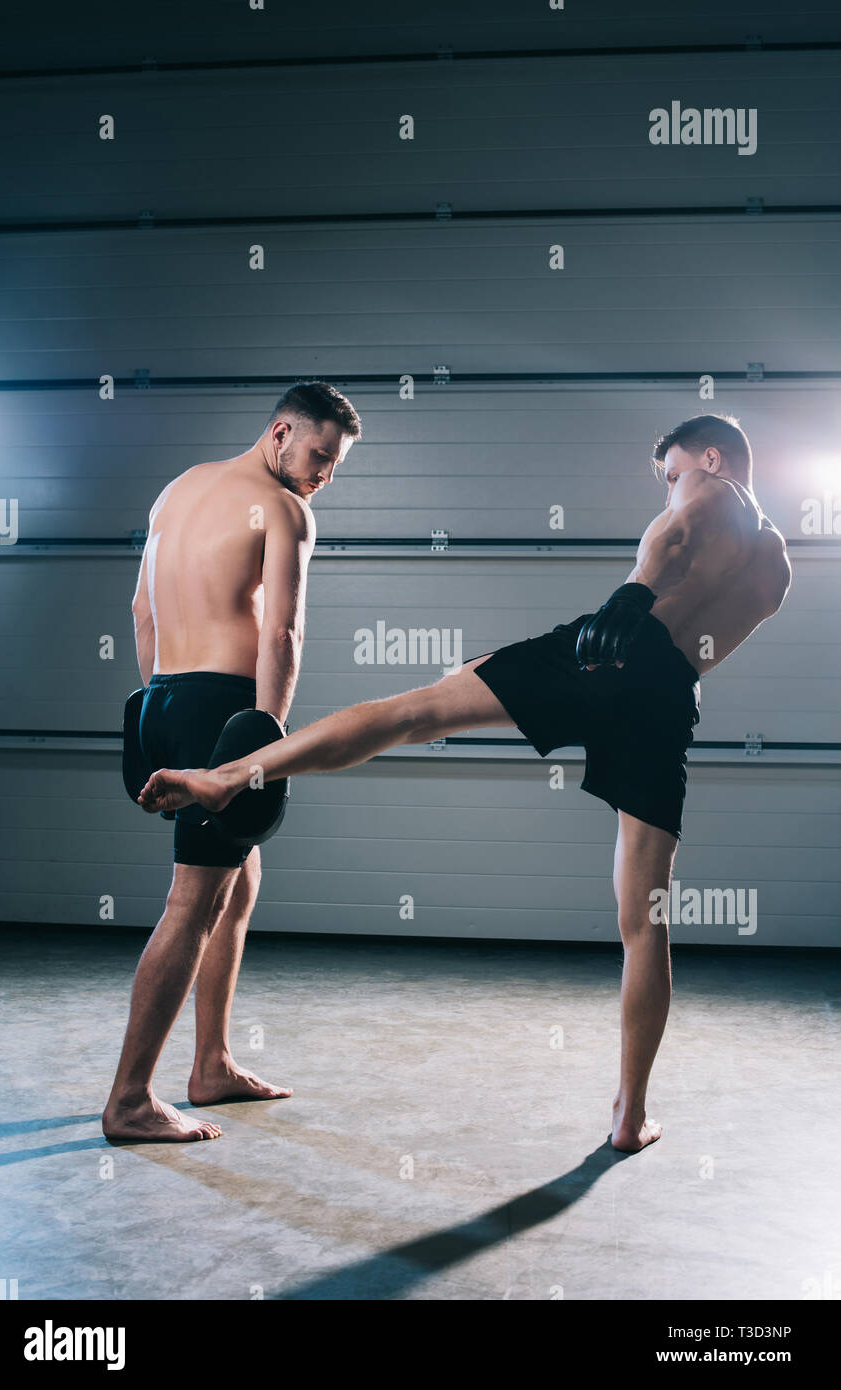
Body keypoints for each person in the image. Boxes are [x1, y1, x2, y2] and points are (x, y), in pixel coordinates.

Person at [138, 413, 792, 1152]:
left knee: (410, 712)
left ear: (709, 455)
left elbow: (674, 533)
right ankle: (629, 1116)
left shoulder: (714, 490)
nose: (674, 484)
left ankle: (230, 776)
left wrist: (631, 593)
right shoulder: (777, 567)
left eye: (673, 471)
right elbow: (702, 643)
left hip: (607, 649)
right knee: (646, 921)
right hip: (666, 697)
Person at [102, 381, 362, 1142]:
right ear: (281, 432)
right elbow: (282, 633)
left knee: (237, 882)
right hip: (224, 710)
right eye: (318, 455)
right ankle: (129, 1100)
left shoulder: (179, 489)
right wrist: (265, 738)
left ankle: (211, 1064)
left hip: (160, 698)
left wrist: (162, 706)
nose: (323, 476)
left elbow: (141, 609)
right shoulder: (284, 510)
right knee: (194, 902)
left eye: (335, 465)